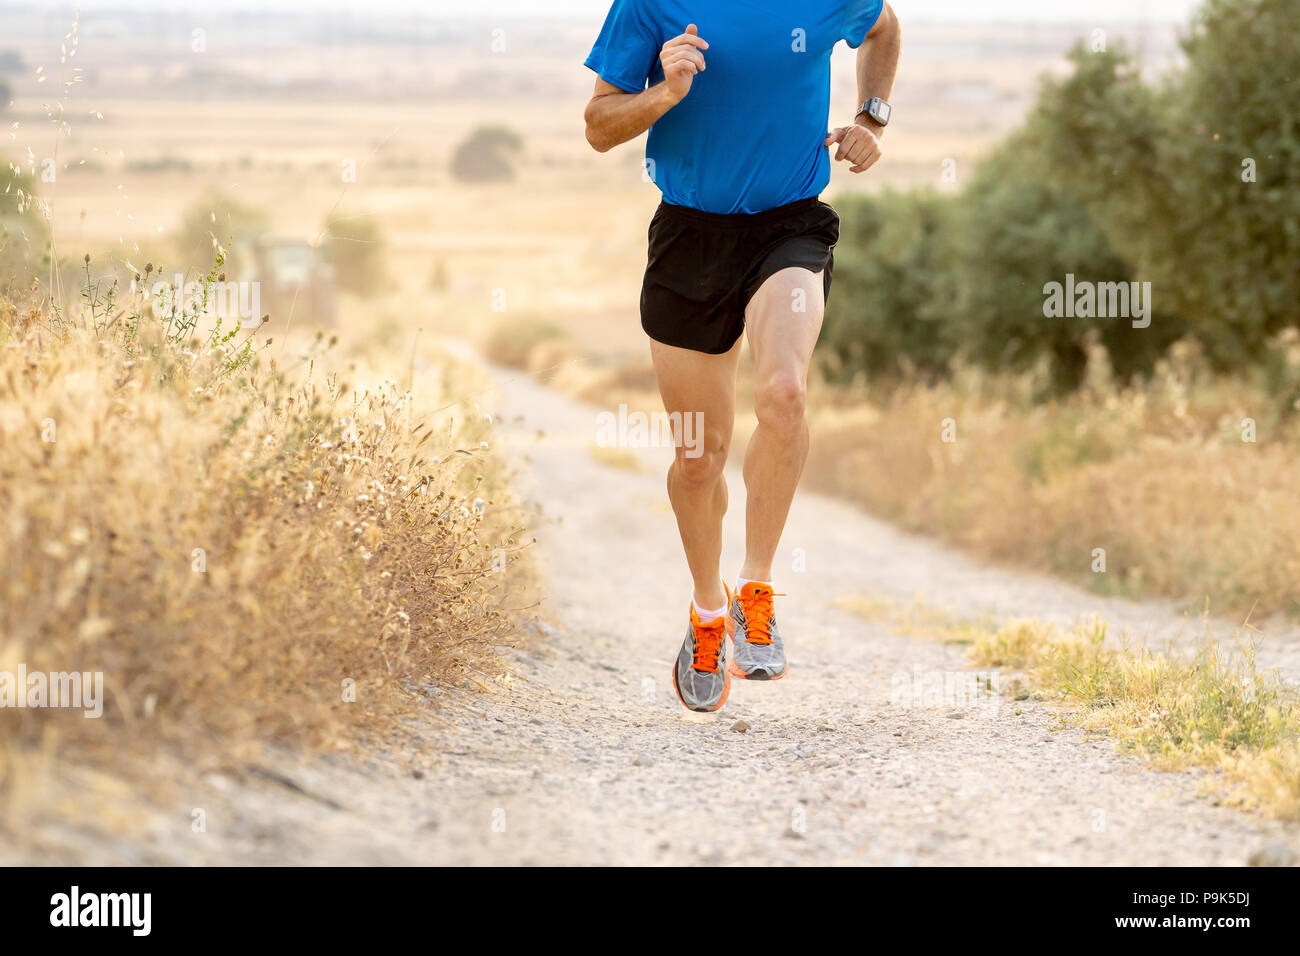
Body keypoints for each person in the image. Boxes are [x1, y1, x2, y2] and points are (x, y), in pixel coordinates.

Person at [583, 1, 902, 712]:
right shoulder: (648, 6)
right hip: (688, 236)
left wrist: (871, 116)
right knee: (699, 457)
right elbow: (598, 126)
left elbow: (882, 28)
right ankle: (707, 613)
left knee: (784, 392)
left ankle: (756, 589)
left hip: (789, 225)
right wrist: (664, 94)